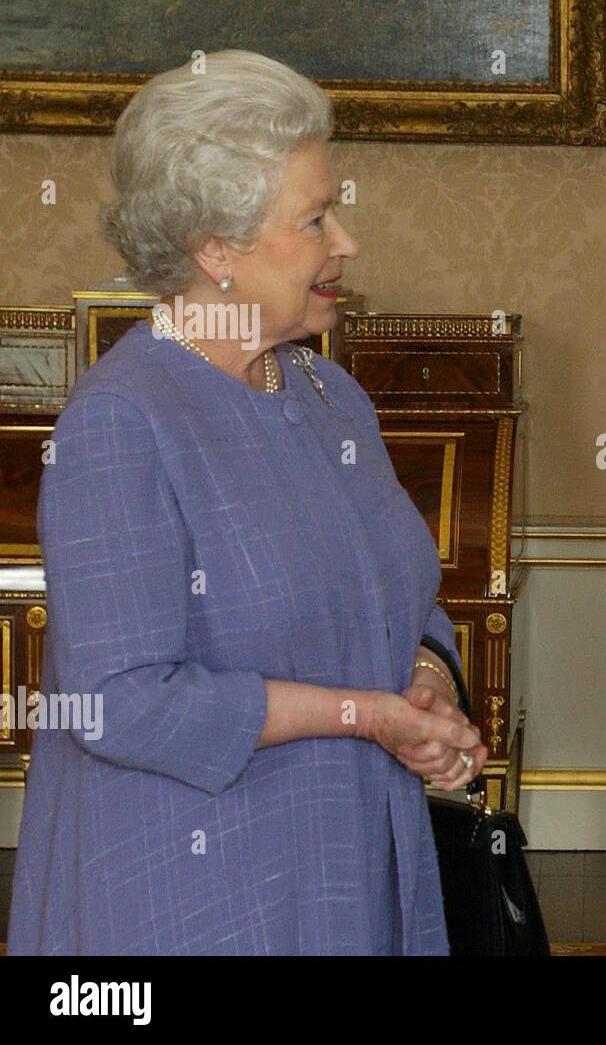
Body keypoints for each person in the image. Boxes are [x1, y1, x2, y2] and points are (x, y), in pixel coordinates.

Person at [7, 50, 488, 955]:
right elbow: (121, 704)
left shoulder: (328, 397)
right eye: (314, 218)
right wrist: (368, 714)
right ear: (214, 248)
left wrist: (424, 685)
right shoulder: (121, 421)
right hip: (192, 894)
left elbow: (405, 598)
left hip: (350, 864)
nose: (344, 241)